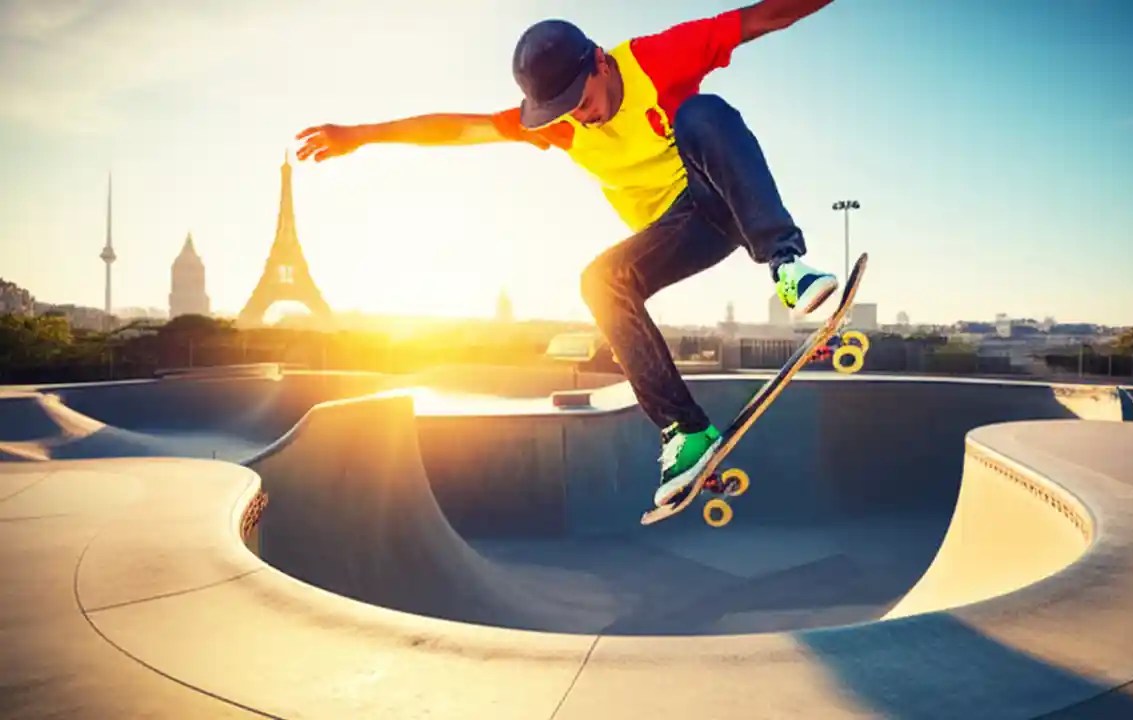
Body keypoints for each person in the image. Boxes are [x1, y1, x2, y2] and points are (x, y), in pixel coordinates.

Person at [296, 0, 842, 508]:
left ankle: (786, 264)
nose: (580, 118)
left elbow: (764, 17)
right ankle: (686, 430)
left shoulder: (658, 58)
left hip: (719, 193)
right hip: (679, 234)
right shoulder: (556, 126)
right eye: (565, 112)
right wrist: (361, 135)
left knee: (704, 113)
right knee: (598, 281)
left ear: (600, 62)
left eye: (583, 102)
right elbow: (457, 129)